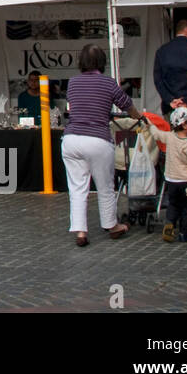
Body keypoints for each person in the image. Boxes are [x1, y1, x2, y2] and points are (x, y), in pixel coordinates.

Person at [61, 43, 146, 246]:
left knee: (77, 187)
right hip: (98, 139)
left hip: (72, 139)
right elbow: (127, 105)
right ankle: (111, 225)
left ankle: (80, 231)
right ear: (102, 62)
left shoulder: (72, 83)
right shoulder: (108, 83)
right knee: (105, 185)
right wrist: (139, 116)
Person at [141, 107, 187, 243]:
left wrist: (149, 123)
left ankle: (169, 224)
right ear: (184, 124)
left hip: (171, 181)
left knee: (173, 205)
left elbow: (157, 134)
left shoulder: (170, 137)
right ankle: (186, 233)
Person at [153, 19, 187, 117]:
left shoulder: (162, 51)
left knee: (171, 132)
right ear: (186, 30)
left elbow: (158, 80)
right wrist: (186, 100)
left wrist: (170, 100)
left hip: (169, 106)